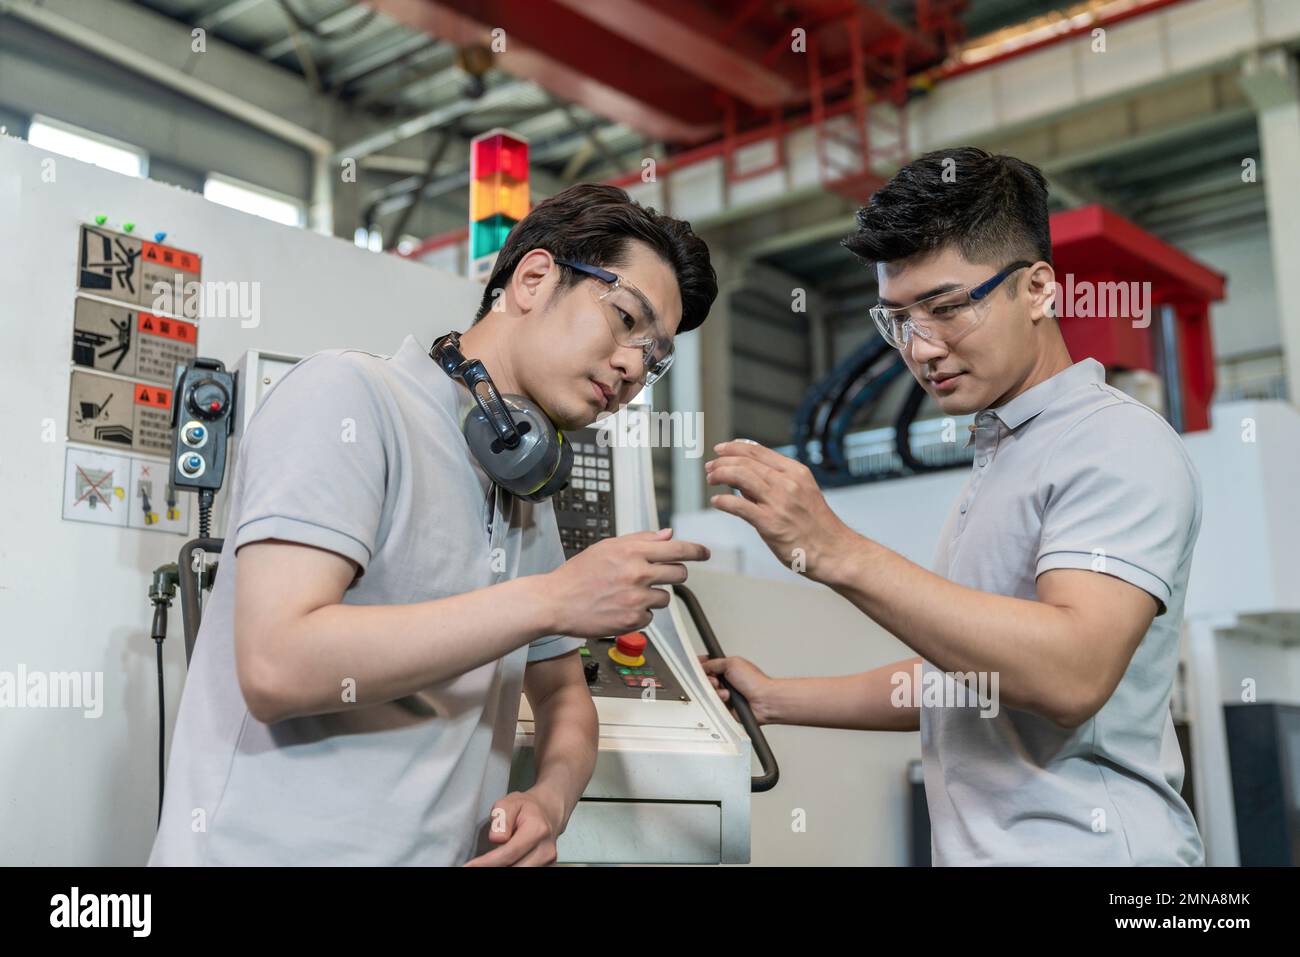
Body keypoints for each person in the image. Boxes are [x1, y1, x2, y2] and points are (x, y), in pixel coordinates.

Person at [149, 184, 715, 866]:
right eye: (626, 318)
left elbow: (565, 694)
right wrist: (550, 598)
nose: (631, 368)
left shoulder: (523, 488)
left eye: (653, 359)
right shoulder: (350, 400)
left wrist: (551, 799)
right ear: (534, 278)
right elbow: (277, 663)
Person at [703, 147, 1204, 866]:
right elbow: (970, 681)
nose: (921, 346)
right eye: (898, 318)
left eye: (946, 308)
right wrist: (777, 698)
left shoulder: (1115, 443)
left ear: (1036, 290)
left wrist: (839, 550)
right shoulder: (1004, 455)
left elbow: (1070, 672)